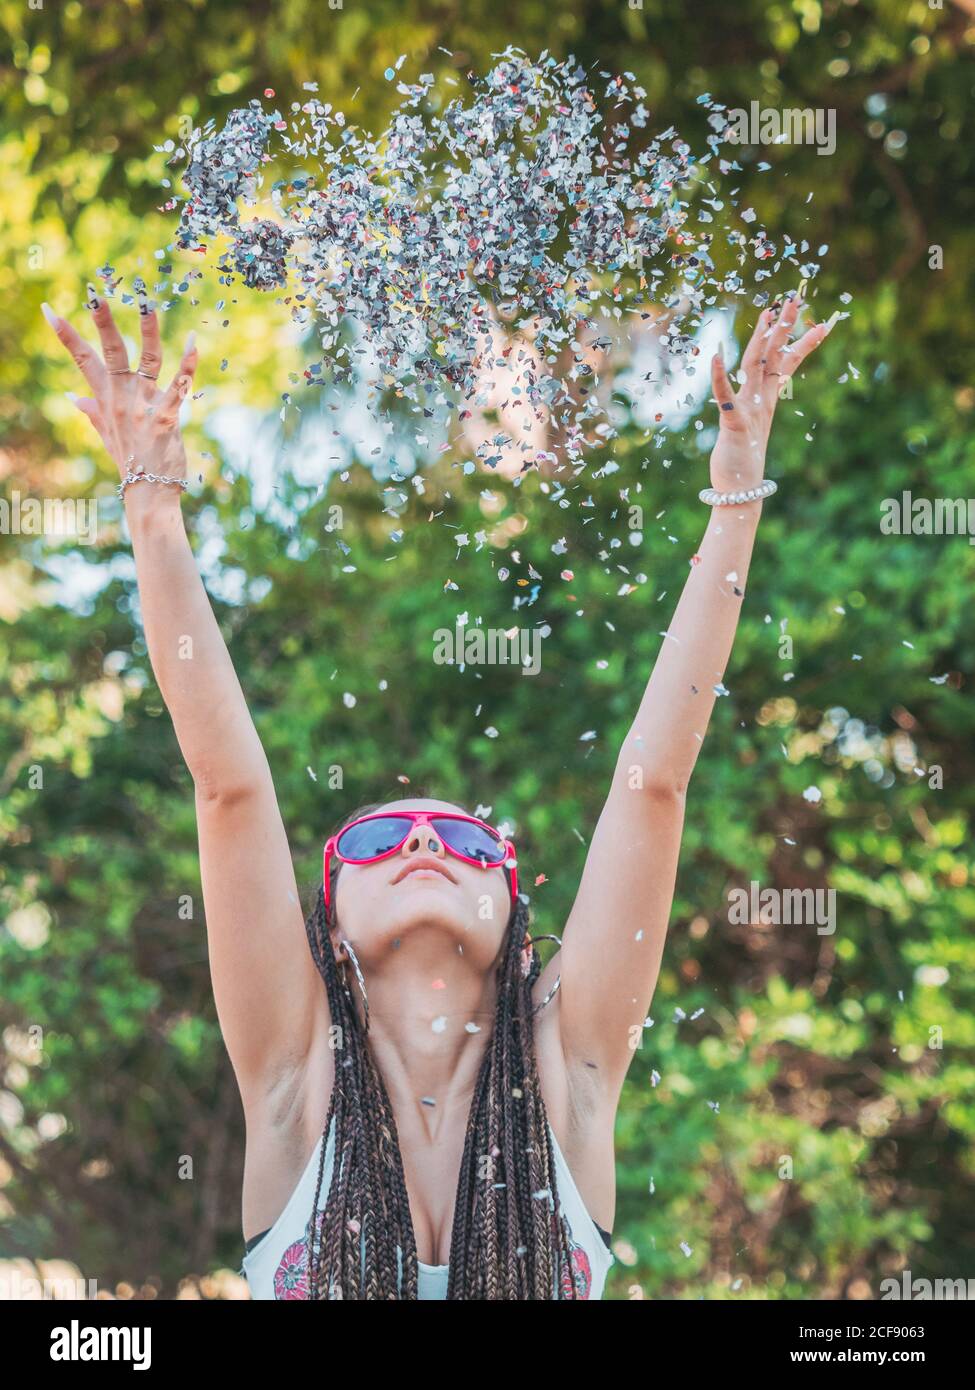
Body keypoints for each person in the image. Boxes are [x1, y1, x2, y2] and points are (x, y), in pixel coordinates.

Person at [42, 282, 831, 1299]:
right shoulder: (294, 1078)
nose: (424, 843)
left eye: (467, 842)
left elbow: (654, 786)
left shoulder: (568, 1078)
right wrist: (150, 510)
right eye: (376, 841)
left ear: (515, 909)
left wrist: (734, 494)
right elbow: (229, 788)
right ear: (325, 923)